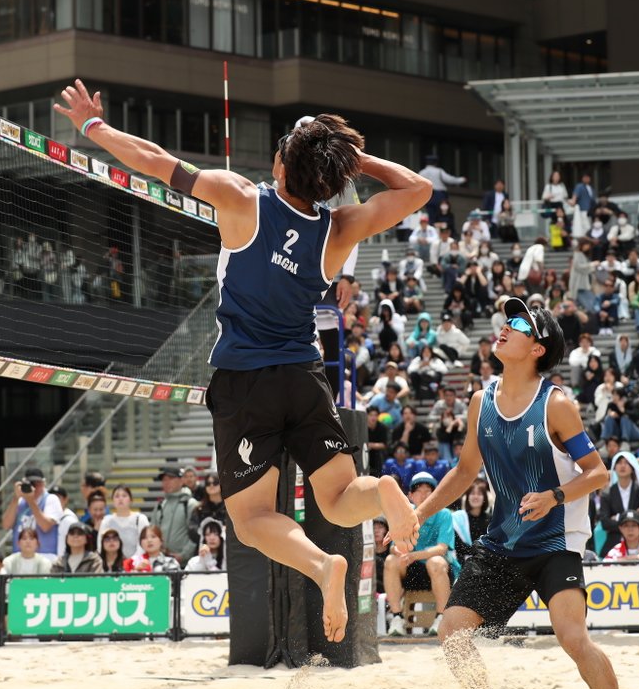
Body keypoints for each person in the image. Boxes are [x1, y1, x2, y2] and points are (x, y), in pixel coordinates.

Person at [56, 82, 427, 642]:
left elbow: (154, 162)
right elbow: (417, 189)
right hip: (305, 377)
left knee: (251, 522)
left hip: (245, 379)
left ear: (280, 166)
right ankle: (383, 494)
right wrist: (355, 159)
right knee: (341, 498)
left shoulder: (242, 198)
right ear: (330, 176)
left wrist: (93, 128)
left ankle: (324, 566)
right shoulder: (340, 228)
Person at [405, 297, 628, 689]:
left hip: (553, 543)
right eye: (506, 320)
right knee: (451, 633)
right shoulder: (479, 401)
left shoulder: (556, 405)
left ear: (537, 348)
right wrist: (417, 513)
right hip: (502, 543)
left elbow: (598, 473)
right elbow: (465, 470)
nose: (504, 327)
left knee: (573, 639)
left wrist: (553, 497)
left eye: (518, 324)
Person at [385, 472, 460, 637]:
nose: (424, 494)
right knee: (391, 560)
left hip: (438, 570)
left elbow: (441, 548)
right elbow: (392, 547)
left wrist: (412, 555)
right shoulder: (403, 513)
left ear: (435, 495)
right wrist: (400, 552)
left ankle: (441, 618)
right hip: (410, 570)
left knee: (436, 562)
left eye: (429, 490)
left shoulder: (444, 514)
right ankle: (396, 617)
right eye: (418, 490)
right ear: (410, 496)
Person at [0, 467, 62, 557]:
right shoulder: (19, 501)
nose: (35, 487)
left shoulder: (51, 499)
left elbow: (46, 526)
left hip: (45, 556)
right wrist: (15, 498)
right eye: (31, 483)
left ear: (44, 483)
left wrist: (31, 501)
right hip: (20, 557)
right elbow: (6, 525)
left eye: (38, 483)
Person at [152, 466, 199, 564]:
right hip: (161, 561)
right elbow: (153, 532)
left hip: (185, 564)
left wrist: (183, 555)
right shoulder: (160, 505)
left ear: (181, 481)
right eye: (164, 480)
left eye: (171, 478)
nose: (166, 482)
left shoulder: (190, 504)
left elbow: (196, 535)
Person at [98, 484, 150, 559]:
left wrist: (133, 562)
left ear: (131, 500)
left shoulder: (140, 519)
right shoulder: (107, 521)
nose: (120, 499)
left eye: (124, 496)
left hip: (137, 565)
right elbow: (100, 544)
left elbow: (144, 543)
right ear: (113, 501)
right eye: (117, 496)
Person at [452, 479, 491, 564]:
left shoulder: (491, 519)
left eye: (479, 494)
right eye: (472, 494)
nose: (475, 497)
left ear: (484, 497)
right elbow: (458, 545)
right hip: (462, 561)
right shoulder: (459, 518)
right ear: (467, 497)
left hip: (485, 561)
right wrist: (475, 552)